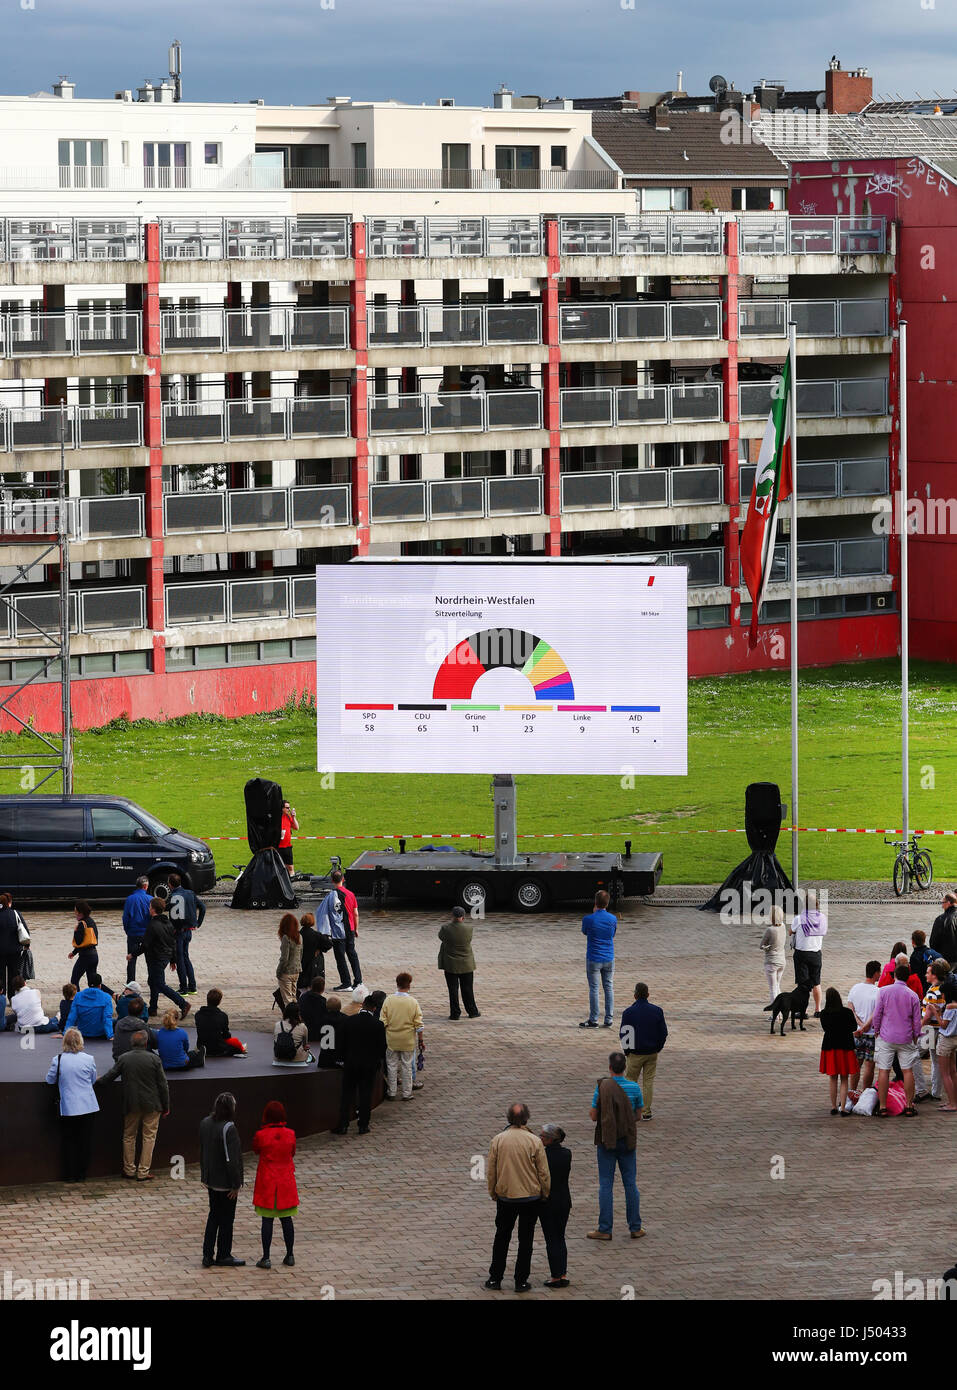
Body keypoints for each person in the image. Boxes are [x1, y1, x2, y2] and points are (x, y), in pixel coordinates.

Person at [484, 1102, 550, 1293]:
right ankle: (521, 1280)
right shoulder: (534, 1141)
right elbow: (543, 1172)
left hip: (506, 1197)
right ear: (526, 1118)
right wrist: (545, 1192)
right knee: (526, 1240)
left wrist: (493, 1191)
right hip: (530, 1197)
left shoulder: (498, 1140)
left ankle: (495, 1278)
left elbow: (492, 1171)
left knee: (502, 1237)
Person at [95, 1030, 170, 1181]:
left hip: (131, 1103)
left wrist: (96, 1080)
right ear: (146, 1043)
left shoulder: (124, 1058)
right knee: (149, 1137)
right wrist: (166, 1105)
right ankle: (143, 1171)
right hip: (152, 1103)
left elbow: (109, 1077)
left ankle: (129, 1169)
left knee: (129, 1136)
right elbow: (163, 1085)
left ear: (131, 1043)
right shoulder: (154, 1059)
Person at [587, 1052, 644, 1241]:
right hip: (627, 1141)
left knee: (605, 1185)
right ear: (624, 1068)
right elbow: (638, 1115)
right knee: (630, 1184)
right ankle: (635, 1227)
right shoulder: (634, 1088)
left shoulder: (603, 1087)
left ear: (610, 1068)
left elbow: (594, 1116)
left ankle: (605, 1228)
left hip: (607, 1141)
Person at [856, 962, 923, 1118]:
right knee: (907, 1071)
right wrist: (915, 1035)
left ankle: (884, 1107)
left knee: (884, 1070)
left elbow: (878, 1013)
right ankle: (908, 1105)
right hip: (905, 1037)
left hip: (886, 1037)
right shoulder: (912, 995)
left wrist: (877, 1030)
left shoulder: (884, 991)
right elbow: (916, 1020)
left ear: (894, 976)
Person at [46, 1028, 99, 1183]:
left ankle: (69, 1174)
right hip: (88, 1106)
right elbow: (93, 1079)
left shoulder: (58, 1059)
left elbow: (50, 1079)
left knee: (69, 1141)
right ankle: (82, 1173)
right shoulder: (89, 1059)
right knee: (85, 1141)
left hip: (68, 1106)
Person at [199, 1092, 245, 1267]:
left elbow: (203, 1151)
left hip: (211, 1180)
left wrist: (205, 1175)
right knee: (226, 1220)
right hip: (225, 1184)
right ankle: (224, 1254)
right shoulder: (229, 1128)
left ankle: (207, 1255)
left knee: (213, 1217)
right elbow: (231, 1159)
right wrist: (235, 1184)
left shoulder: (205, 1123)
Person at [253, 1101, 298, 1269]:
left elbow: (256, 1149)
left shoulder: (261, 1135)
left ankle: (266, 1257)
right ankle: (290, 1254)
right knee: (287, 1219)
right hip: (285, 1181)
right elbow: (292, 1152)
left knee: (267, 1219)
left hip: (268, 1181)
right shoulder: (290, 1134)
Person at [335, 991, 387, 1135]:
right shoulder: (378, 1025)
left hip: (351, 1064)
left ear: (362, 1005)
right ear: (375, 1008)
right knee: (365, 1095)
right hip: (368, 1065)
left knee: (347, 1094)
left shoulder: (348, 1021)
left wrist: (341, 1059)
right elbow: (382, 1047)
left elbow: (341, 1043)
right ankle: (363, 1125)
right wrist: (377, 1061)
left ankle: (343, 1124)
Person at [618, 982, 668, 1121]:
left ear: (634, 995)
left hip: (635, 1053)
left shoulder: (628, 1012)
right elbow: (663, 1032)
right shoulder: (657, 1011)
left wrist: (627, 1051)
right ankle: (646, 1111)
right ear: (648, 995)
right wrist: (658, 1047)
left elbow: (625, 1033)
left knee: (630, 1081)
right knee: (648, 1082)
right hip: (651, 1052)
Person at [134, 897, 190, 1020]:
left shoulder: (153, 925)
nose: (149, 909)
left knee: (159, 984)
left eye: (150, 907)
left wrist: (132, 955)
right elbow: (172, 942)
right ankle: (153, 1008)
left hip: (156, 958)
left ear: (153, 909)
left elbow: (145, 945)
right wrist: (173, 959)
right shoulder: (168, 923)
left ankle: (183, 1003)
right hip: (165, 956)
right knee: (153, 981)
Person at [381, 971, 424, 1100]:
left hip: (392, 1039)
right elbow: (419, 1024)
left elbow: (383, 1021)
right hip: (407, 1040)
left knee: (392, 1066)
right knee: (407, 1067)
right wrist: (421, 1040)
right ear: (409, 985)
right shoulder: (413, 1002)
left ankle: (391, 1092)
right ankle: (406, 1093)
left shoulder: (389, 1000)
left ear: (397, 984)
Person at [539, 1124, 572, 1289]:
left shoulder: (543, 1156)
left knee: (551, 1239)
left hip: (548, 1202)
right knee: (560, 1237)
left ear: (551, 1139)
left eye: (543, 1136)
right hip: (564, 1200)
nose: (540, 1138)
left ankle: (555, 1276)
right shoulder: (567, 1154)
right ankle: (563, 1272)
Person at [818, 986, 858, 1115]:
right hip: (845, 1047)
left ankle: (833, 1106)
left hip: (830, 1047)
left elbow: (825, 1028)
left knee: (833, 1078)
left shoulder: (824, 1013)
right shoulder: (846, 1012)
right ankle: (843, 1108)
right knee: (844, 1078)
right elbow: (853, 1026)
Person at [580, 889, 616, 1028]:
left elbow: (584, 931)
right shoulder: (612, 919)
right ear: (607, 903)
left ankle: (594, 1019)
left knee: (594, 989)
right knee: (609, 987)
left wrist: (594, 914)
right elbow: (612, 934)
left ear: (595, 902)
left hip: (594, 957)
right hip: (609, 957)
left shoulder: (588, 919)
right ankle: (609, 1018)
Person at [789, 891, 827, 1017]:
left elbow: (791, 932)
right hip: (816, 953)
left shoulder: (799, 919)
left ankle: (803, 1011)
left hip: (802, 954)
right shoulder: (822, 918)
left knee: (802, 985)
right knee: (816, 983)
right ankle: (818, 1009)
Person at [439, 906, 480, 1020]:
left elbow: (441, 937)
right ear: (463, 916)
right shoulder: (469, 928)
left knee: (453, 989)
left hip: (451, 964)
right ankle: (472, 1011)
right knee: (467, 988)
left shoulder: (446, 928)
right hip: (466, 963)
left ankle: (455, 1013)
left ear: (452, 916)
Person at [168, 872, 205, 998]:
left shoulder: (173, 896)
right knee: (186, 957)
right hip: (189, 931)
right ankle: (192, 986)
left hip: (178, 932)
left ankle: (183, 988)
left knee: (180, 960)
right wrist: (198, 923)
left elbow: (173, 916)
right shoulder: (190, 893)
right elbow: (203, 907)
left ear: (170, 884)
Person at [921, 958, 952, 1102]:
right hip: (940, 1030)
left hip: (930, 1030)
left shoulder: (932, 993)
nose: (925, 975)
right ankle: (936, 1092)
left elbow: (927, 1017)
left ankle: (923, 1089)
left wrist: (917, 1027)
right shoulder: (943, 988)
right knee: (936, 1061)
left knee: (916, 1055)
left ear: (934, 975)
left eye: (928, 972)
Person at [847, 961, 882, 1092]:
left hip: (856, 1033)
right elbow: (876, 1012)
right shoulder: (878, 991)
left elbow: (851, 1008)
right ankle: (866, 1092)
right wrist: (866, 1026)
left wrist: (860, 1024)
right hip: (872, 1034)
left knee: (856, 1065)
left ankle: (853, 1091)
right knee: (869, 1066)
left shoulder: (855, 988)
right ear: (876, 973)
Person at [330, 870, 362, 991]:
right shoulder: (351, 894)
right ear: (343, 879)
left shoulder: (332, 896)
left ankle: (346, 982)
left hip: (339, 930)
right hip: (351, 929)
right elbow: (356, 913)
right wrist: (356, 929)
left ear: (332, 881)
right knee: (352, 954)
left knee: (340, 957)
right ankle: (358, 981)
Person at [928, 980, 957, 1112]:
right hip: (955, 1039)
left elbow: (943, 1024)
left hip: (946, 1039)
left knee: (945, 1073)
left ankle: (952, 1103)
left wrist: (934, 1012)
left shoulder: (950, 1007)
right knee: (953, 1071)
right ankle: (954, 1100)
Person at [195, 988, 246, 1057]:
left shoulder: (198, 1014)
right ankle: (242, 1049)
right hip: (218, 1048)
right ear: (219, 1001)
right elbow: (226, 1035)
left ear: (207, 1000)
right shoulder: (222, 1016)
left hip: (202, 1046)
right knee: (235, 1044)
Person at [64, 972, 114, 1040]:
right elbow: (107, 1017)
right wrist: (110, 1035)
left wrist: (65, 1033)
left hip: (83, 1033)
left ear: (88, 984)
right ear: (100, 985)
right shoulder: (106, 997)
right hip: (100, 1033)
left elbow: (72, 1017)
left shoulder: (78, 996)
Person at [122, 877, 152, 983]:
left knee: (131, 959)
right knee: (150, 960)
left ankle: (131, 983)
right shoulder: (150, 899)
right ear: (145, 886)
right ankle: (152, 981)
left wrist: (127, 930)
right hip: (147, 934)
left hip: (133, 933)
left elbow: (125, 917)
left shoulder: (130, 899)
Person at [67, 902, 99, 989]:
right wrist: (74, 952)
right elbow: (90, 941)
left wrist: (76, 930)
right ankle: (113, 994)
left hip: (85, 957)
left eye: (75, 911)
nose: (74, 913)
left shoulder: (81, 924)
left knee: (74, 981)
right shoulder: (91, 921)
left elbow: (79, 942)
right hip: (94, 955)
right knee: (93, 983)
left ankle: (77, 1000)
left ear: (80, 912)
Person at [760, 905, 787, 1004]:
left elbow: (761, 945)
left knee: (772, 989)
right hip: (782, 961)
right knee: (777, 986)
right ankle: (782, 1008)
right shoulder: (783, 926)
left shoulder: (770, 930)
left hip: (771, 962)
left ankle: (775, 1013)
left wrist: (766, 947)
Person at [0, 892, 25, 997]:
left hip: (0, 952)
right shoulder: (16, 913)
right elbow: (25, 931)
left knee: (0, 975)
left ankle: (1, 996)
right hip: (15, 951)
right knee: (14, 975)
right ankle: (13, 997)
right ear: (8, 903)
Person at [275, 913, 302, 1009]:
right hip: (296, 970)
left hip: (287, 972)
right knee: (294, 997)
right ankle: (296, 1015)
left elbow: (284, 958)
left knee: (287, 999)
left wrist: (279, 971)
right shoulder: (299, 936)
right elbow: (300, 954)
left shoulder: (286, 938)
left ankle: (291, 1019)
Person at [314, 994, 345, 1069]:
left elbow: (318, 1035)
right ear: (340, 1007)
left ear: (327, 1007)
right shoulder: (346, 1019)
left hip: (325, 1058)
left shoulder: (321, 1019)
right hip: (340, 1058)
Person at [297, 912, 322, 992]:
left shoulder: (298, 934)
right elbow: (328, 944)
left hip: (300, 962)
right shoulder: (316, 935)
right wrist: (319, 948)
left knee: (301, 986)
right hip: (312, 963)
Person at [930, 892, 957, 964]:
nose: (942, 906)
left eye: (943, 903)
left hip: (946, 959)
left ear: (948, 903)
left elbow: (933, 941)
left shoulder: (940, 919)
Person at [299, 975, 328, 1041]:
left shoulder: (303, 996)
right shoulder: (323, 1001)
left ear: (311, 986)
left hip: (303, 1029)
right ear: (323, 989)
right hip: (317, 1032)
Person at [278, 800, 299, 877]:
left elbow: (296, 827)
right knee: (278, 867)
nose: (289, 809)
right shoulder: (276, 818)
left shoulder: (288, 816)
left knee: (290, 867)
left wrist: (293, 817)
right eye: (287, 808)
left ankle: (291, 883)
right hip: (278, 847)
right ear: (282, 808)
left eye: (289, 808)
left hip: (287, 847)